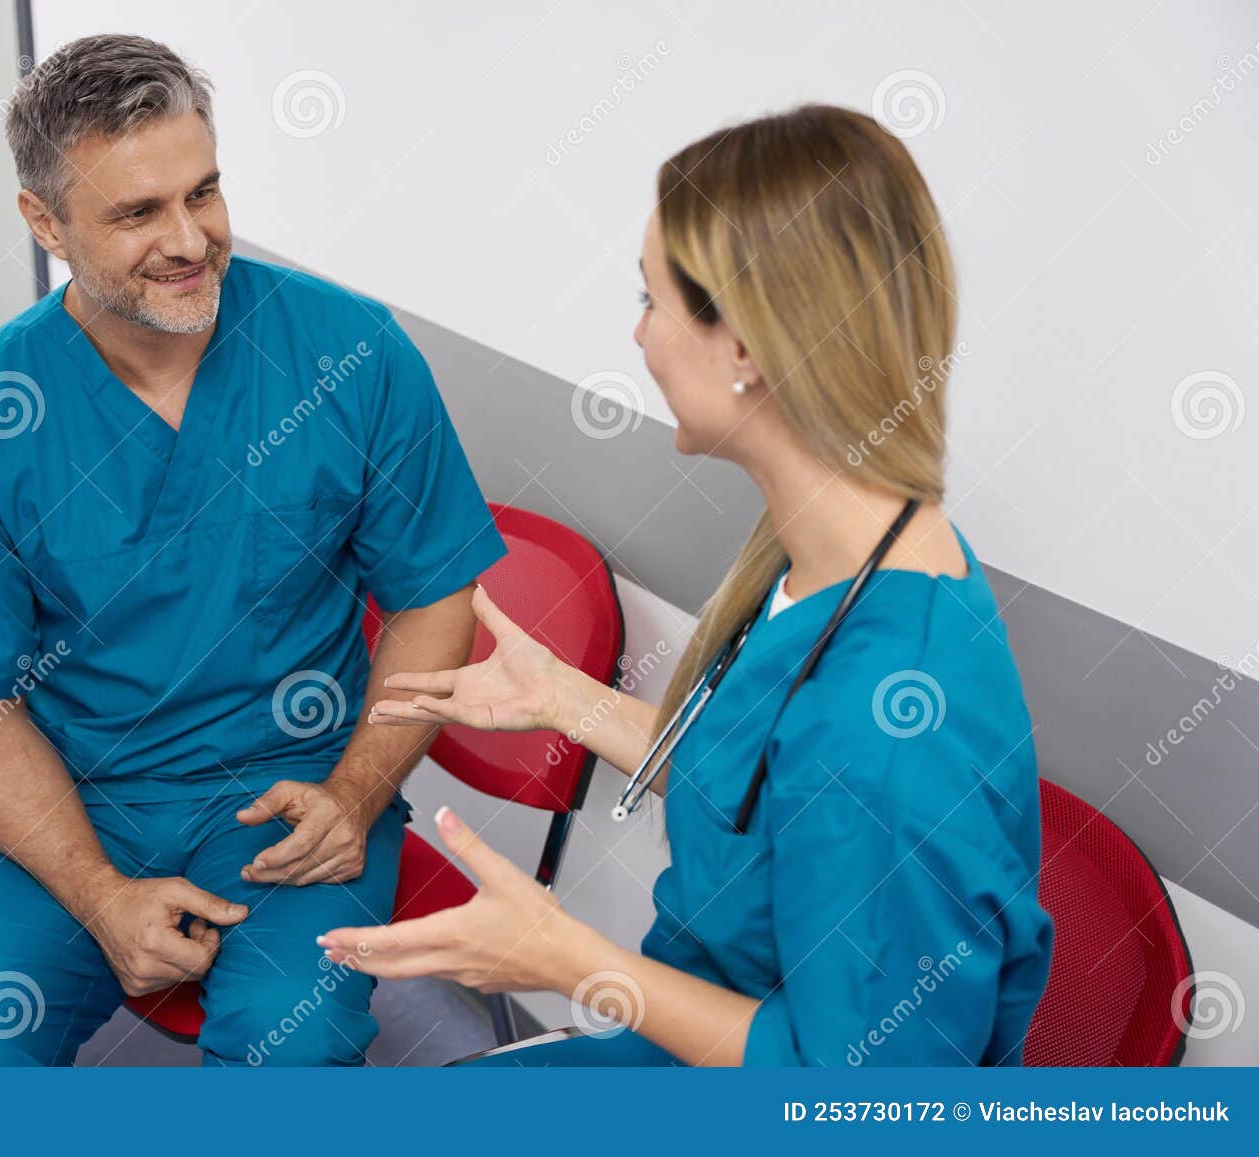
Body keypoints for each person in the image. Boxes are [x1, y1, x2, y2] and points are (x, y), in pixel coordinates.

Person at [324, 104, 1054, 1067]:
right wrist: (563, 700)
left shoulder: (887, 734)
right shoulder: (846, 561)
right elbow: (754, 793)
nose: (638, 335)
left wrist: (565, 956)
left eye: (652, 299)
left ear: (746, 348)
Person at [0, 34, 503, 1066]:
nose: (189, 239)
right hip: (77, 797)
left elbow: (435, 595)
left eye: (203, 192)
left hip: (295, 796)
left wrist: (354, 792)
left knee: (285, 1054)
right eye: (137, 212)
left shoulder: (350, 353)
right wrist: (94, 890)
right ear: (44, 222)